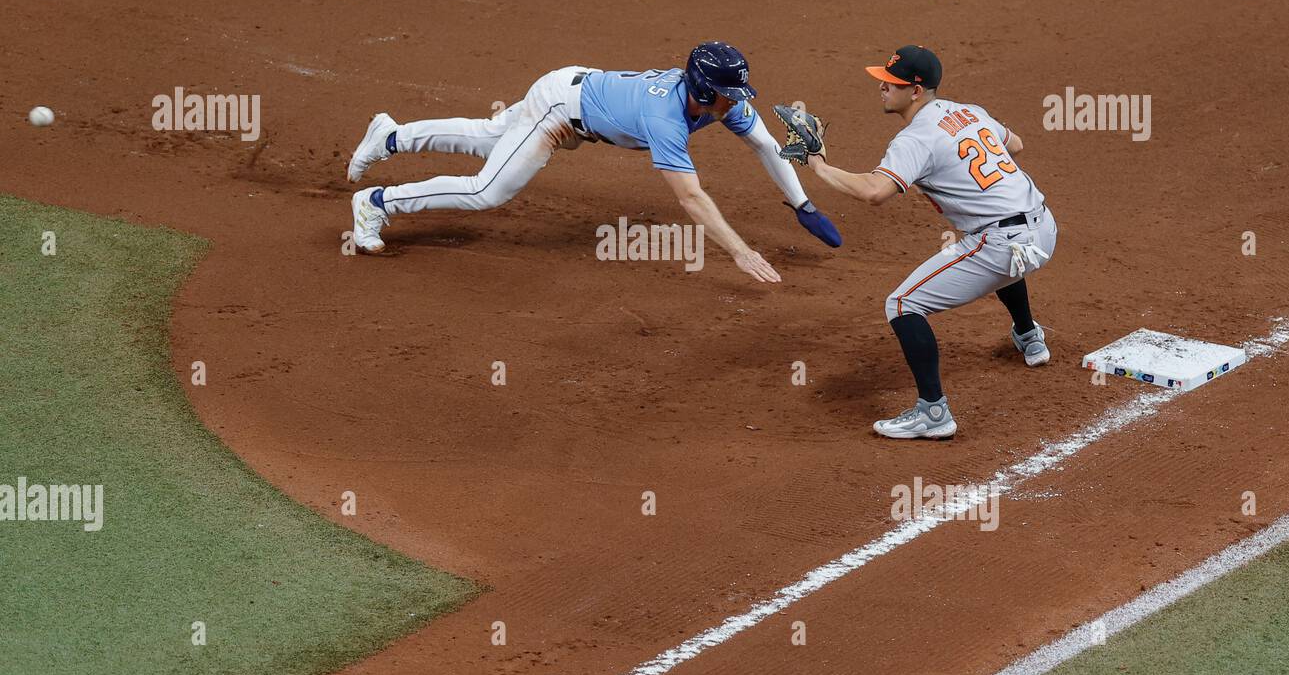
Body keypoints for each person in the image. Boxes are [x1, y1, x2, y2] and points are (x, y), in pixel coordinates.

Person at [347, 41, 841, 280]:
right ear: (705, 91)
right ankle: (378, 203)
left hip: (574, 86)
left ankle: (390, 136)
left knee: (489, 137)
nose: (738, 102)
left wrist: (802, 205)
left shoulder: (721, 103)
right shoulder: (665, 117)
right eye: (730, 95)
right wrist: (738, 250)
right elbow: (690, 195)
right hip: (561, 110)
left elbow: (764, 144)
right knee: (487, 189)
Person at [798, 45, 1057, 439]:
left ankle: (933, 413)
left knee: (902, 304)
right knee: (993, 253)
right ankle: (1028, 335)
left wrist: (818, 165)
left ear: (915, 91)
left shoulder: (915, 139)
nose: (882, 88)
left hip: (1003, 243)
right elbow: (1016, 144)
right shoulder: (969, 110)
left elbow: (874, 192)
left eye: (891, 83)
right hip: (1044, 229)